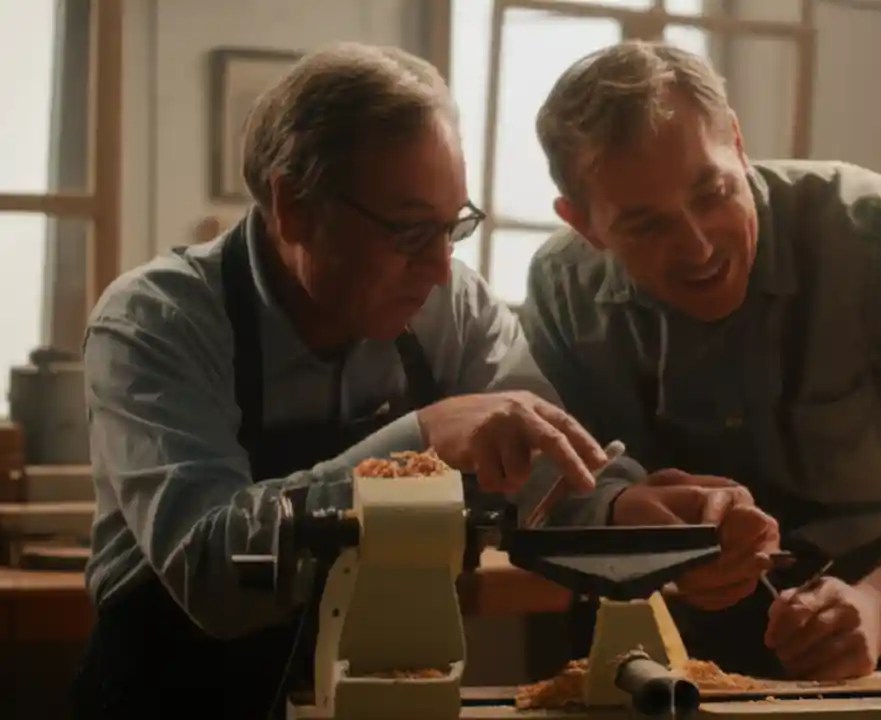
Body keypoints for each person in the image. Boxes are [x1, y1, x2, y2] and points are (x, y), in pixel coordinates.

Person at [69, 43, 654, 719]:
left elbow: (548, 475)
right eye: (409, 233)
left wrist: (631, 512)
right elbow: (214, 573)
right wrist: (418, 442)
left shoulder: (450, 308)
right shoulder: (157, 322)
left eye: (452, 227)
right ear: (293, 207)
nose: (439, 269)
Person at [522, 40, 881, 682]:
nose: (698, 246)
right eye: (647, 226)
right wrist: (637, 525)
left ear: (735, 139)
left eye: (713, 192)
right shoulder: (562, 289)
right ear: (583, 223)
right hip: (687, 643)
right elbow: (553, 490)